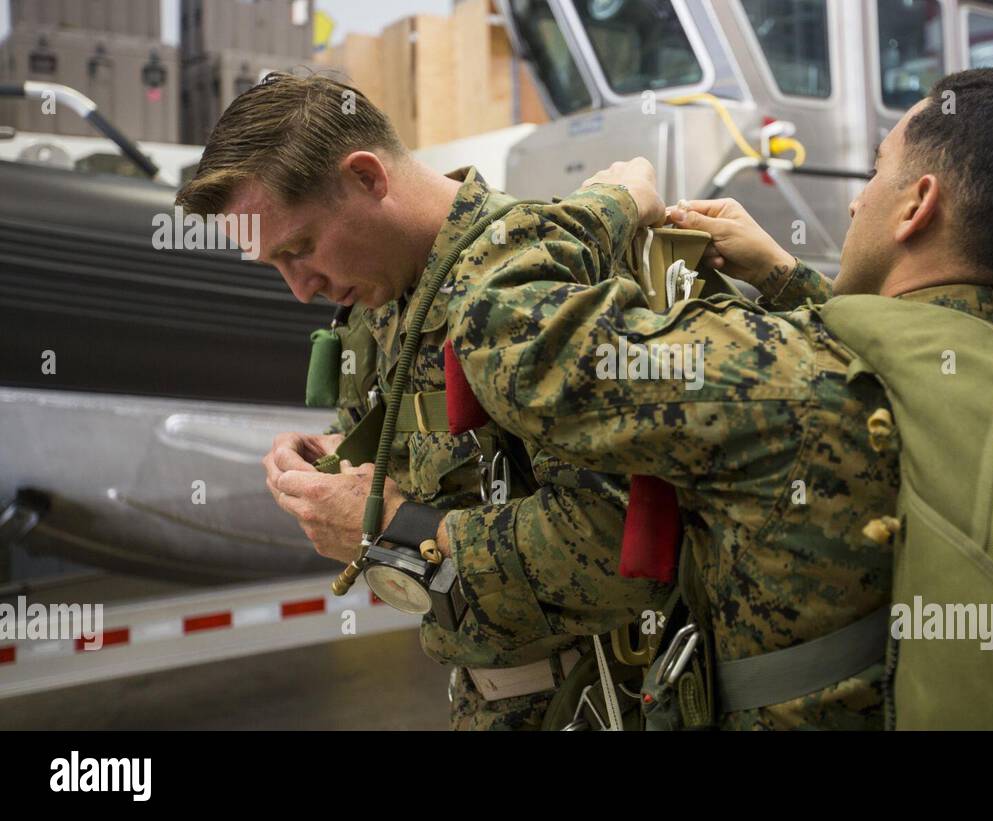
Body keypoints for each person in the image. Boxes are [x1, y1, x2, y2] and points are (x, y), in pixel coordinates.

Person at [438, 69, 993, 729]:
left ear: (918, 203)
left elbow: (521, 338)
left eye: (879, 169)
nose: (856, 197)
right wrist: (783, 276)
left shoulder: (782, 379)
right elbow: (897, 347)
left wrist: (607, 202)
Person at [173, 72, 665, 730]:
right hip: (483, 694)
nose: (299, 289)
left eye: (299, 249)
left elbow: (621, 546)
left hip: (591, 701)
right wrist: (332, 467)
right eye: (274, 265)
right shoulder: (379, 303)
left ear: (367, 178)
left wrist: (393, 526)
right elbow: (417, 458)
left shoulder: (516, 289)